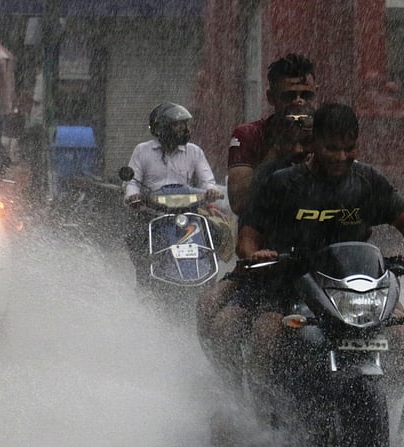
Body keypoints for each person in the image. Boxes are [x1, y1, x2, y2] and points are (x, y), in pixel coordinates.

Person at [238, 103, 404, 387]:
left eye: (349, 148)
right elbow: (246, 238)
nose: (342, 157)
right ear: (313, 142)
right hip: (292, 286)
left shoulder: (367, 181)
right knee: (266, 334)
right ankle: (261, 418)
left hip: (357, 290)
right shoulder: (282, 184)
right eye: (332, 148)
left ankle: (390, 405)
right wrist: (257, 254)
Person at [197, 105, 314, 386]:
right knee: (215, 312)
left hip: (327, 277)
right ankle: (237, 394)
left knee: (401, 331)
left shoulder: (346, 178)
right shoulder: (267, 181)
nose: (299, 150)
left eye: (306, 142)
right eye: (291, 142)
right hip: (270, 274)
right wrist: (256, 254)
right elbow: (247, 239)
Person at [122, 103, 228, 283]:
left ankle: (209, 273)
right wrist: (133, 196)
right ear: (161, 127)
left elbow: (207, 181)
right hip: (152, 213)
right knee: (137, 238)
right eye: (177, 125)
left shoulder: (194, 152)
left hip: (188, 213)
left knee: (217, 232)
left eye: (185, 124)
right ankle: (144, 278)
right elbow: (131, 181)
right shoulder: (142, 151)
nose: (184, 129)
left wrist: (211, 193)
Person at [226, 53, 317, 216]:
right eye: (289, 96)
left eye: (306, 96)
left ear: (316, 94)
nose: (299, 102)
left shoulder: (326, 132)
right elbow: (238, 203)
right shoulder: (249, 135)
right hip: (266, 230)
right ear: (271, 97)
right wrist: (277, 151)